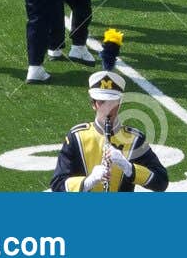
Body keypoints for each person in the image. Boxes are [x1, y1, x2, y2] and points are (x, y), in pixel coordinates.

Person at [50, 30, 170, 191]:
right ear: (93, 104)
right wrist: (88, 182)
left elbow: (161, 182)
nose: (107, 108)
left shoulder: (134, 139)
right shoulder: (77, 137)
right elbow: (57, 184)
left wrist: (129, 168)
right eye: (102, 102)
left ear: (119, 103)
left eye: (112, 102)